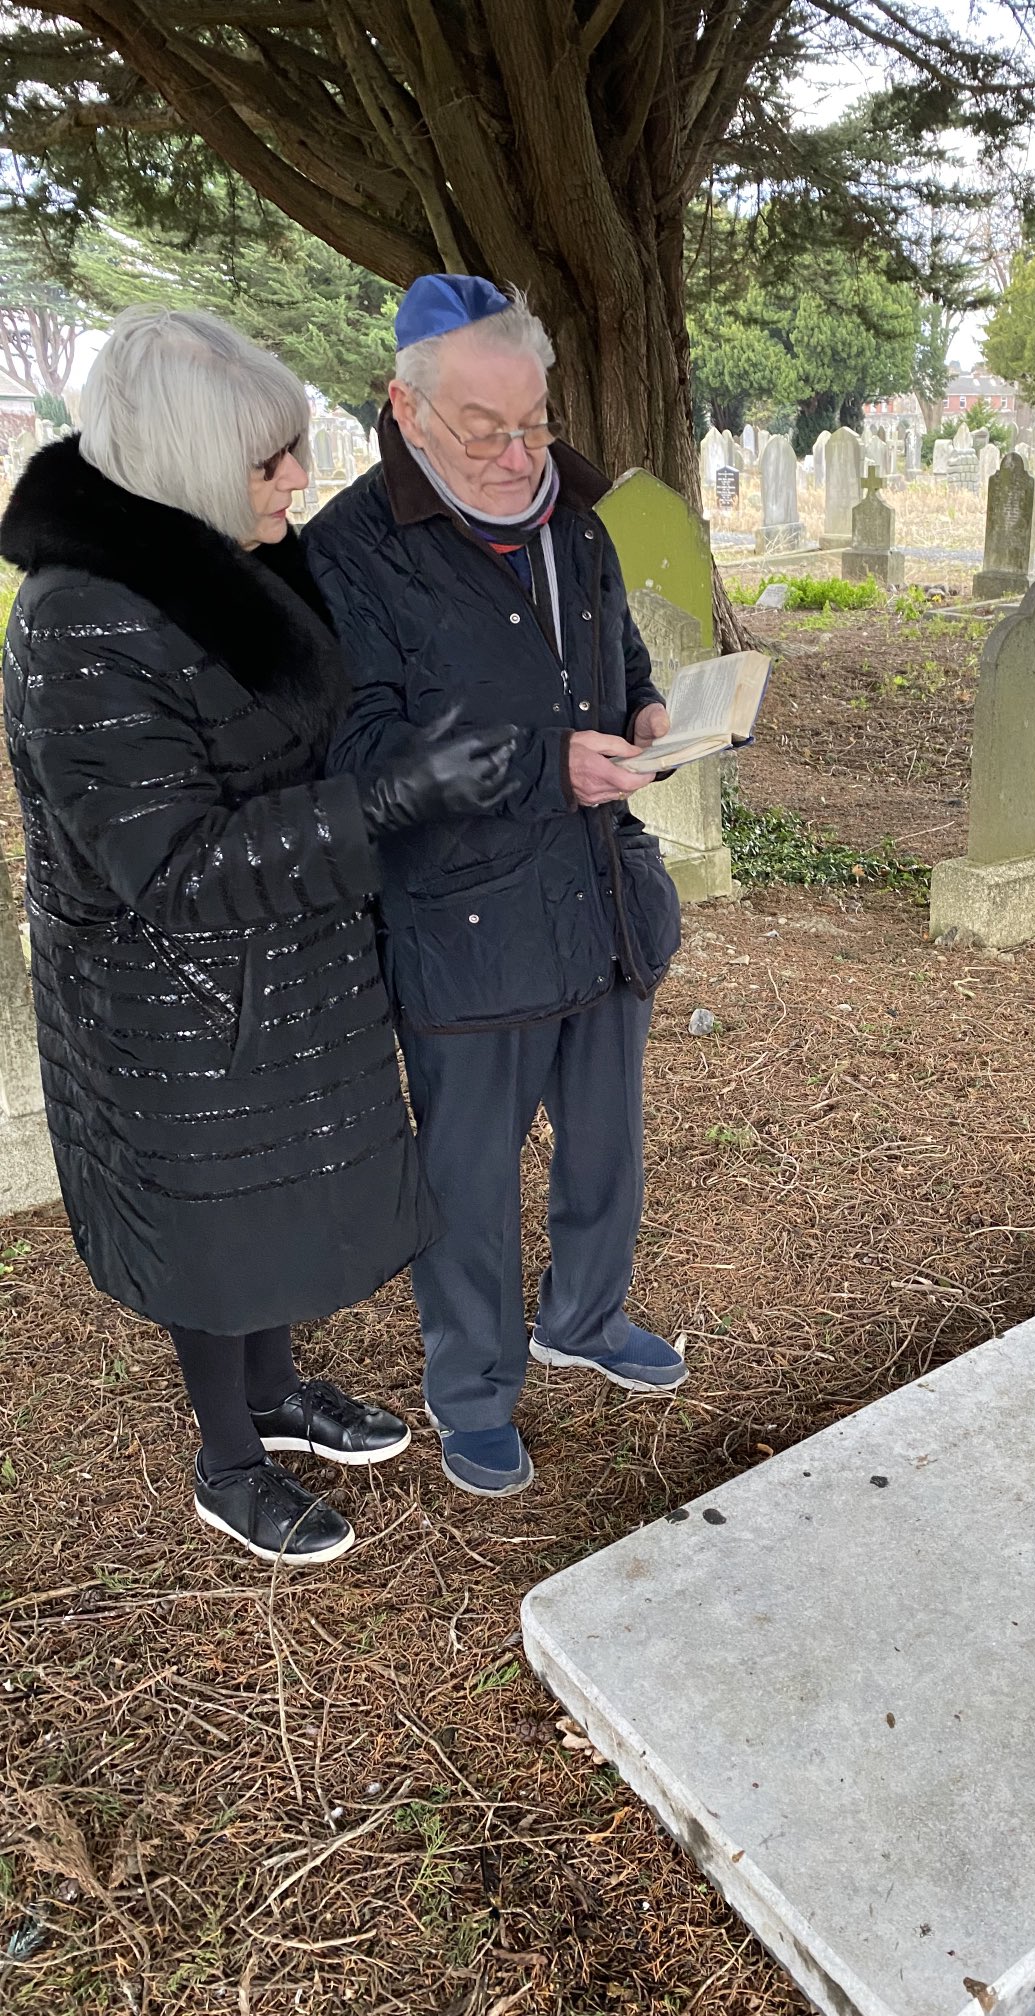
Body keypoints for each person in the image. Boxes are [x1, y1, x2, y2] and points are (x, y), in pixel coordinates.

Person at [0, 306, 520, 1563]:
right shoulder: (81, 624)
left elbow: (303, 741)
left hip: (288, 953)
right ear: (181, 463)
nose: (299, 479)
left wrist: (413, 749)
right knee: (213, 1225)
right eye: (269, 460)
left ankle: (278, 1400)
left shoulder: (231, 560)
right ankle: (226, 1460)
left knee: (280, 1204)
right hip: (174, 991)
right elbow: (170, 869)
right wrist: (394, 801)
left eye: (294, 447)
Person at [303, 275, 685, 1502]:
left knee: (607, 1145)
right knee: (469, 1178)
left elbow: (613, 642)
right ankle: (471, 1385)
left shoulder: (573, 512)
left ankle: (586, 1315)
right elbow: (357, 758)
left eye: (536, 422)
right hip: (463, 916)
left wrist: (647, 705)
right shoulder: (350, 554)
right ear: (406, 411)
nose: (524, 454)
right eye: (489, 430)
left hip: (597, 889)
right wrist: (540, 769)